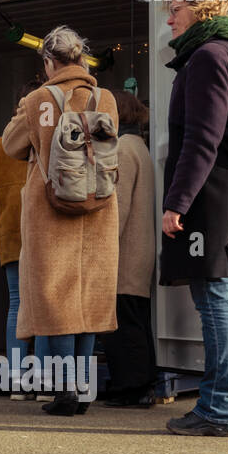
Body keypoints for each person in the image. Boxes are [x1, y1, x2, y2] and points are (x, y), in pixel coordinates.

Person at [158, 0, 228, 438]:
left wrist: (176, 202)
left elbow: (202, 138)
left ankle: (219, 409)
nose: (168, 15)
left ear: (199, 9)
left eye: (175, 6)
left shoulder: (205, 59)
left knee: (218, 302)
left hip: (211, 197)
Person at [1, 26, 119, 417]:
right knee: (88, 300)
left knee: (55, 300)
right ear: (82, 59)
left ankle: (64, 391)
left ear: (49, 61)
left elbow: (10, 145)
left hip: (50, 211)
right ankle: (83, 389)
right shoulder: (105, 98)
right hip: (98, 210)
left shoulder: (37, 99)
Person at [101, 90, 157, 407]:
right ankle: (142, 383)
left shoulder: (122, 148)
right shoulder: (140, 146)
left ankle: (129, 387)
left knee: (123, 324)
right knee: (137, 321)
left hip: (125, 251)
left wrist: (103, 246)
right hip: (141, 249)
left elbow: (116, 208)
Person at [0, 79, 37, 398]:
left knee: (16, 305)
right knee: (45, 308)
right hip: (45, 235)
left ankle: (17, 380)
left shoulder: (2, 143)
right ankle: (47, 379)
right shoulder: (48, 135)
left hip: (10, 234)